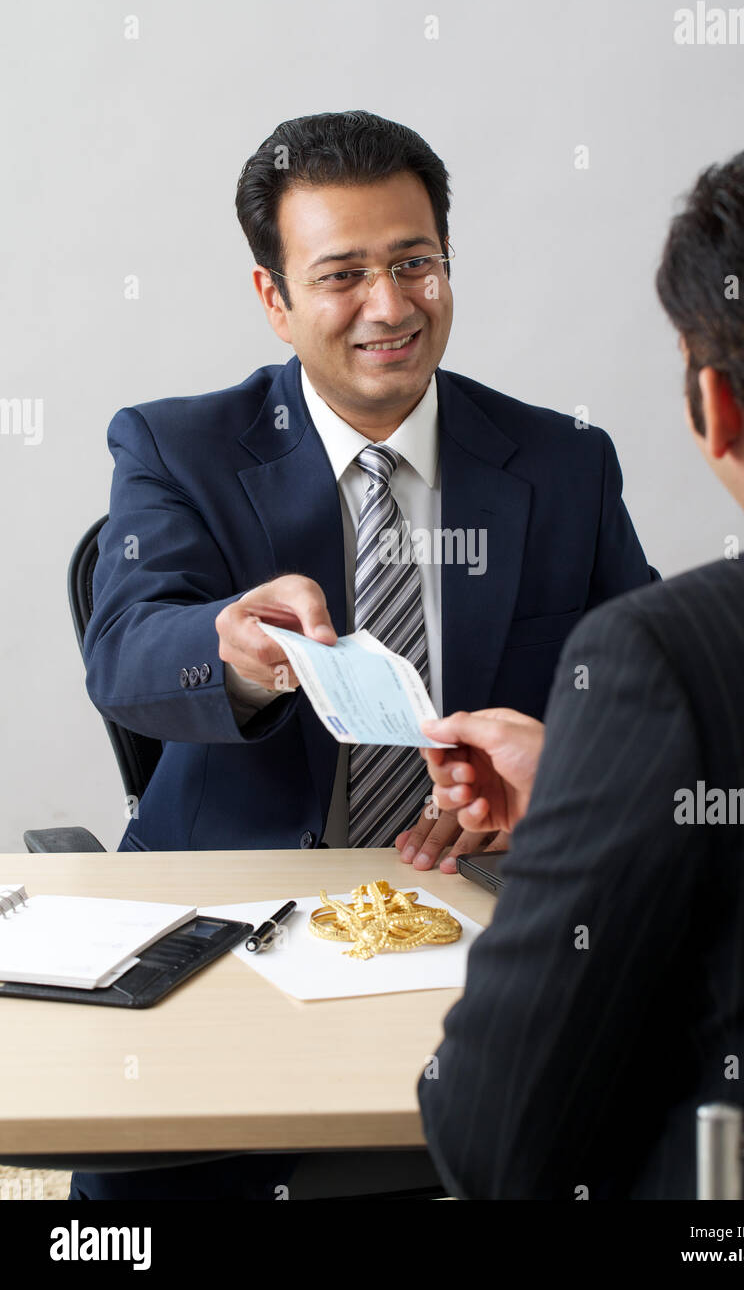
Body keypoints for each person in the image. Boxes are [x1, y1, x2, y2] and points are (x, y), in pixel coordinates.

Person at [71, 111, 656, 1200]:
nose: (389, 307)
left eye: (414, 263)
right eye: (341, 274)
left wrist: (550, 767)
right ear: (272, 298)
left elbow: (655, 694)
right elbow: (125, 652)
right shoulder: (178, 446)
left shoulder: (561, 462)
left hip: (475, 917)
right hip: (233, 922)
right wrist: (234, 649)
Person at [417, 139, 744, 1200]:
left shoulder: (670, 656)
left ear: (714, 407)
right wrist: (596, 772)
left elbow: (494, 1137)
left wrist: (597, 800)